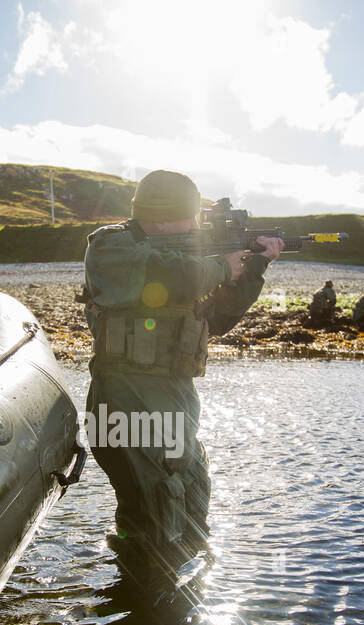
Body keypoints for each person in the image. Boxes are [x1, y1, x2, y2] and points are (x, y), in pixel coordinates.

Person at [79, 169, 283, 580]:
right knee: (157, 514)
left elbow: (220, 318)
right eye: (189, 218)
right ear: (158, 218)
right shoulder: (112, 246)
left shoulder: (188, 261)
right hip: (126, 402)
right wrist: (222, 267)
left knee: (189, 492)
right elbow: (162, 273)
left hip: (173, 400)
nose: (196, 226)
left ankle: (179, 604)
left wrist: (252, 269)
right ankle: (145, 615)